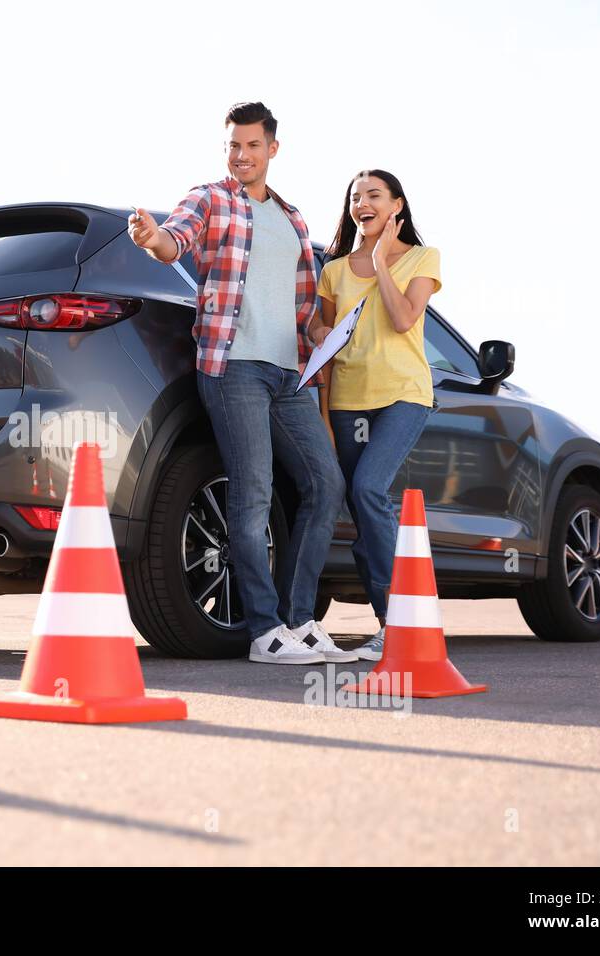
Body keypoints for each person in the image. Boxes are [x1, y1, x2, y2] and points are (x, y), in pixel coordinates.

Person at [128, 102, 352, 665]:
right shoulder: (210, 199)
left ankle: (300, 622)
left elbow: (302, 304)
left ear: (272, 148)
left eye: (252, 145)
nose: (241, 155)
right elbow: (173, 241)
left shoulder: (295, 218)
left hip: (290, 374)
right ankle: (264, 630)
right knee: (250, 493)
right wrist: (152, 238)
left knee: (326, 487)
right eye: (233, 145)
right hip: (233, 367)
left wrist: (325, 331)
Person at [309, 169, 441, 661]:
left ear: (396, 206)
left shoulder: (423, 258)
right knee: (363, 512)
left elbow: (405, 317)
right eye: (355, 197)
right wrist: (319, 332)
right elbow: (321, 330)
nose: (362, 203)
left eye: (373, 195)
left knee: (368, 489)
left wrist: (383, 260)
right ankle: (395, 620)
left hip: (404, 393)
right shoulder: (333, 270)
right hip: (347, 398)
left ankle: (396, 621)